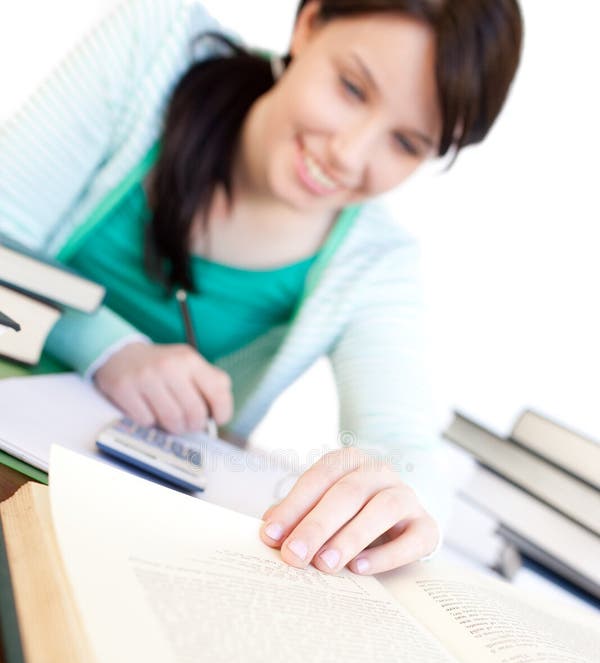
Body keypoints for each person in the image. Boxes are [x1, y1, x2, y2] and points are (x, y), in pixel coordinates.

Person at [0, 0, 522, 576]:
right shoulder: (153, 45)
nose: (349, 154)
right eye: (351, 87)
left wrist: (404, 504)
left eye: (406, 143)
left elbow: (405, 446)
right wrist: (109, 349)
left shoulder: (376, 261)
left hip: (104, 536)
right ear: (309, 23)